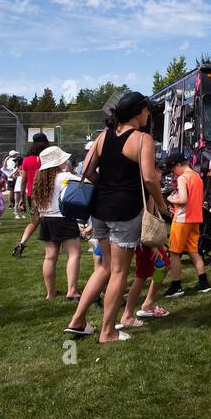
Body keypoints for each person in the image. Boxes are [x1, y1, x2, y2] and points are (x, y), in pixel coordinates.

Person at [65, 92, 169, 344]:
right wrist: (163, 206)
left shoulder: (102, 137)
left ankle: (77, 321)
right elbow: (149, 178)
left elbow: (87, 171)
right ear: (137, 112)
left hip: (99, 209)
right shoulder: (143, 139)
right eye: (146, 110)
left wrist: (108, 186)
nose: (148, 115)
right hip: (126, 210)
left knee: (103, 267)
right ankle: (108, 331)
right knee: (120, 271)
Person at [31, 145, 82, 302]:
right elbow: (84, 182)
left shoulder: (39, 178)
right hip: (64, 218)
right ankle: (72, 291)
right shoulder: (64, 176)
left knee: (50, 257)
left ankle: (50, 293)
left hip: (46, 218)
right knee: (74, 254)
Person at [163, 150, 210, 297]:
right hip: (195, 218)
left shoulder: (183, 178)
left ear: (178, 165)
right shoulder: (197, 177)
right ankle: (203, 283)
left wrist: (171, 200)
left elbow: (183, 200)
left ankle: (176, 286)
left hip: (182, 219)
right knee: (193, 251)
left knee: (174, 253)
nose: (173, 173)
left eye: (172, 169)